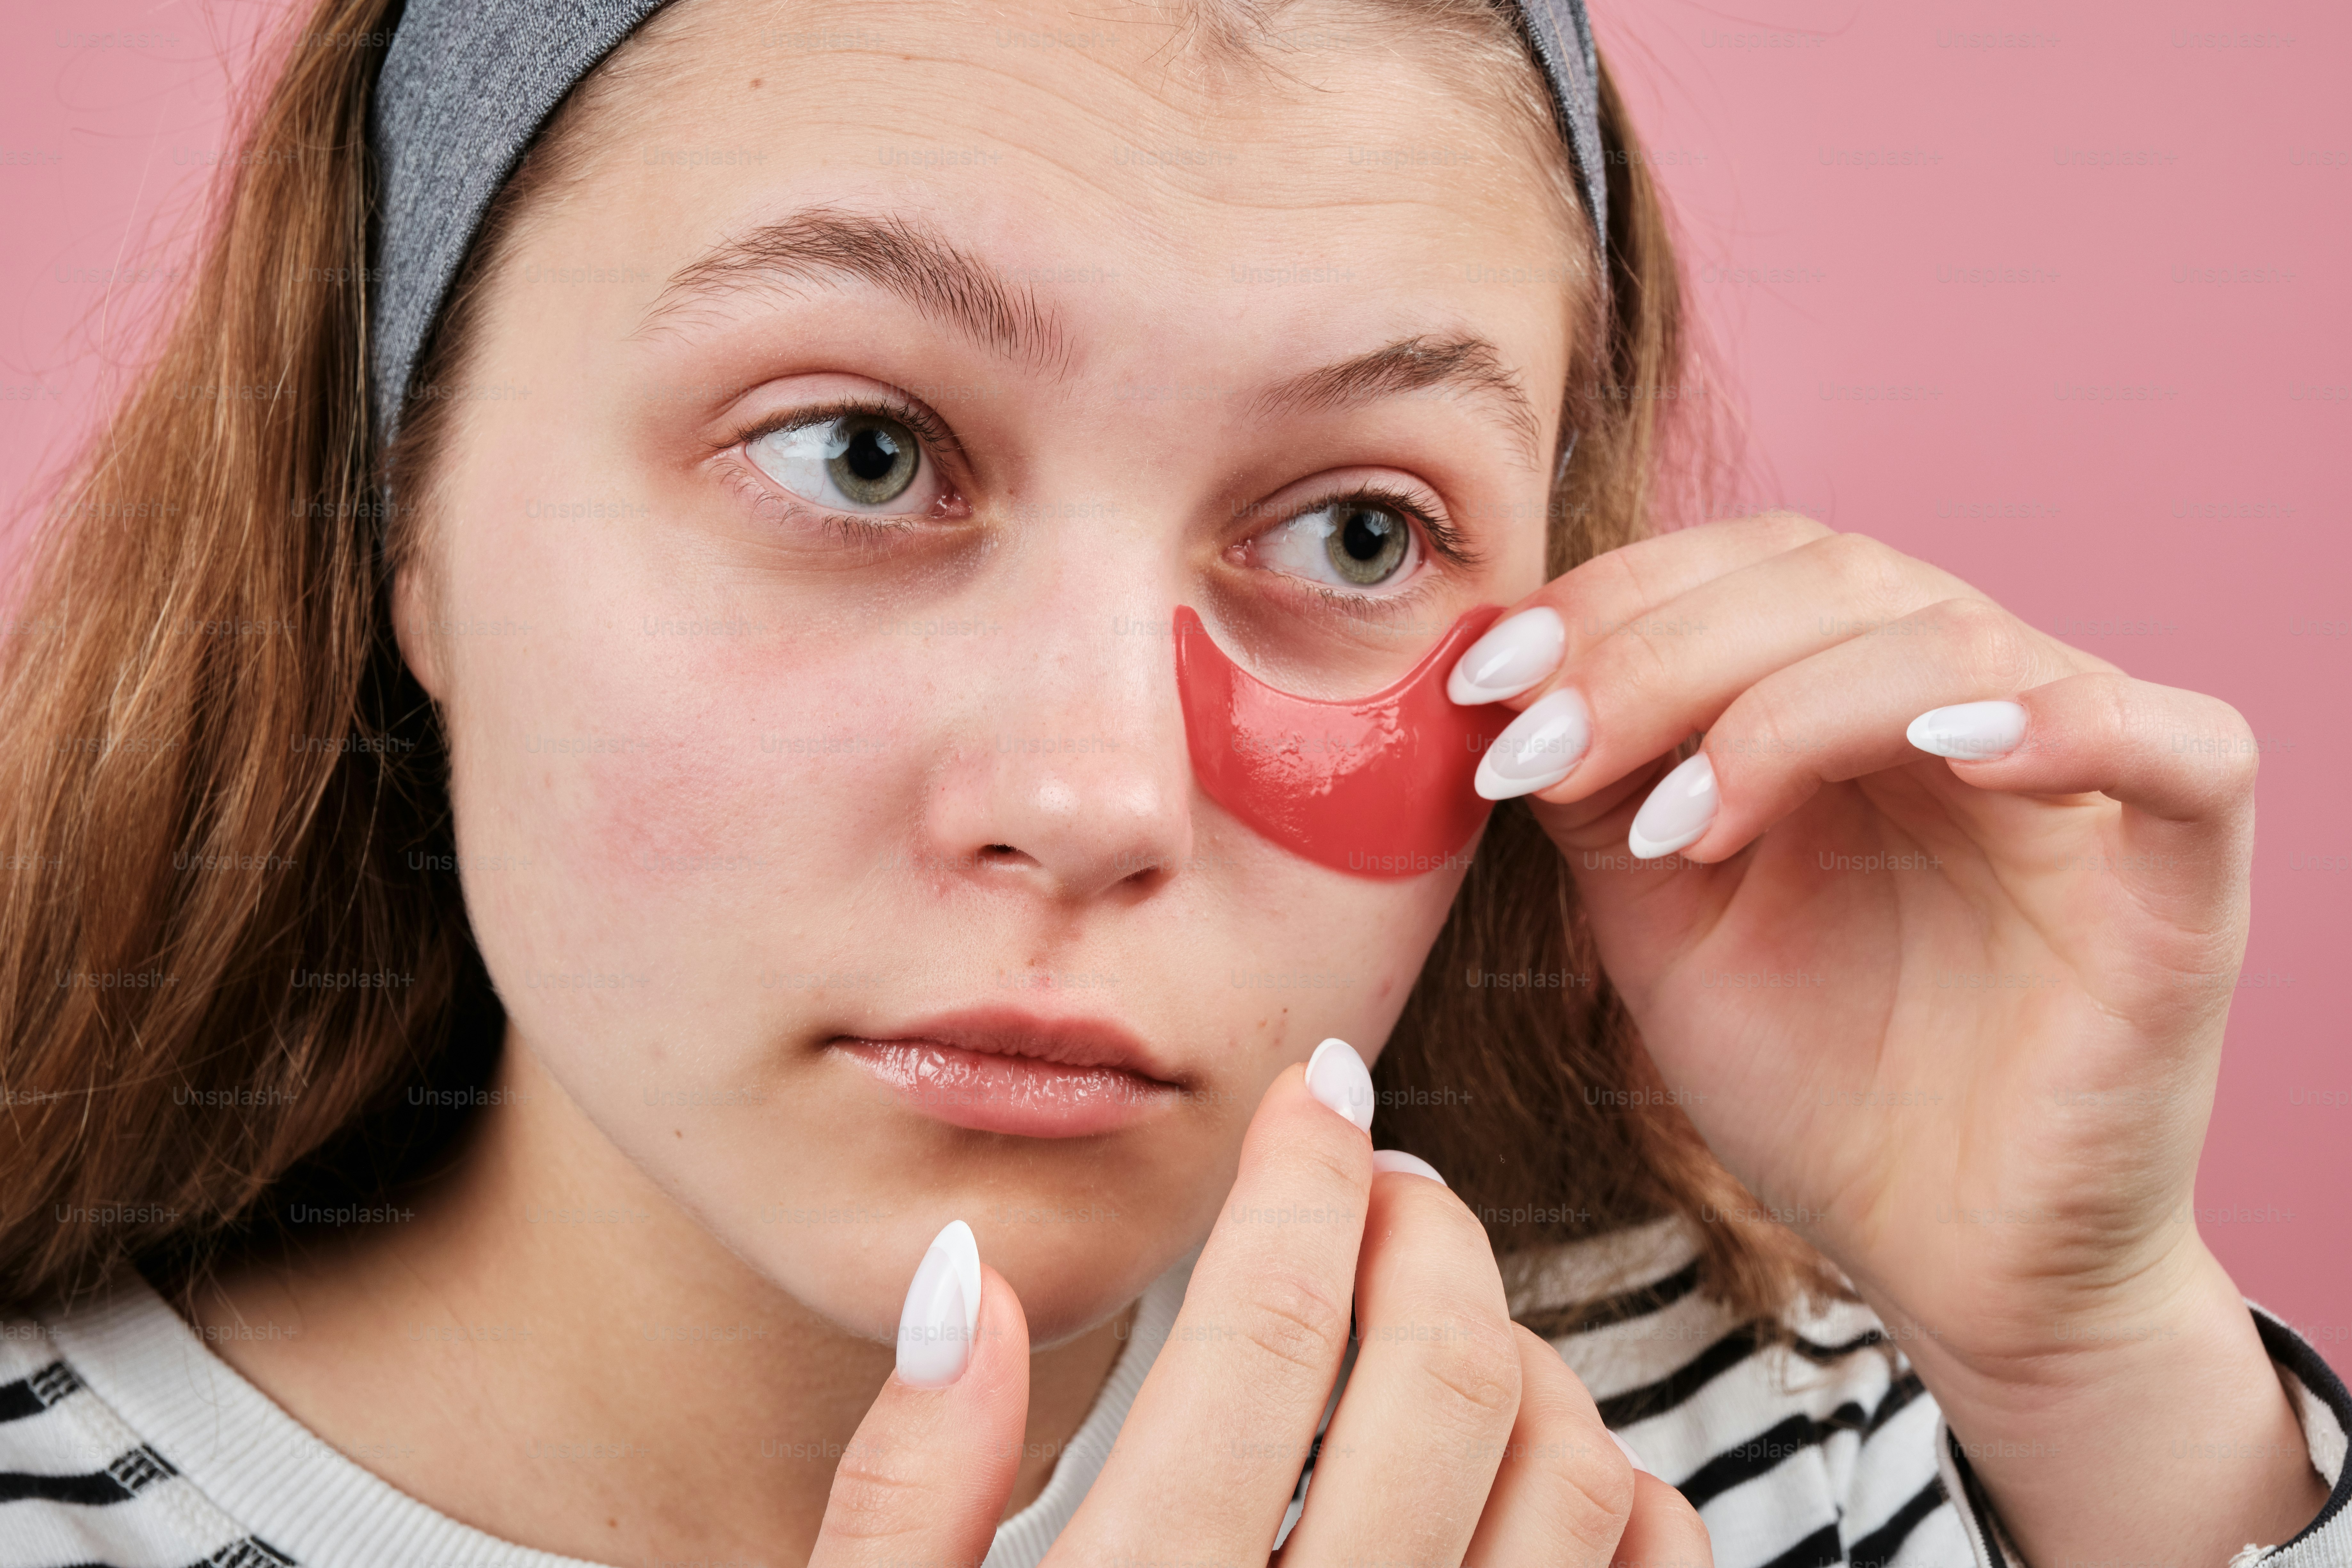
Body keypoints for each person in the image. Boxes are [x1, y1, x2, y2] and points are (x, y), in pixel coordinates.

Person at [0, 0, 2341, 1564]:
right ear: (394, 509)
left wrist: (2100, 1365)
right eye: (861, 450)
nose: (1100, 792)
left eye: (1357, 534)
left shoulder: (1727, 1440)